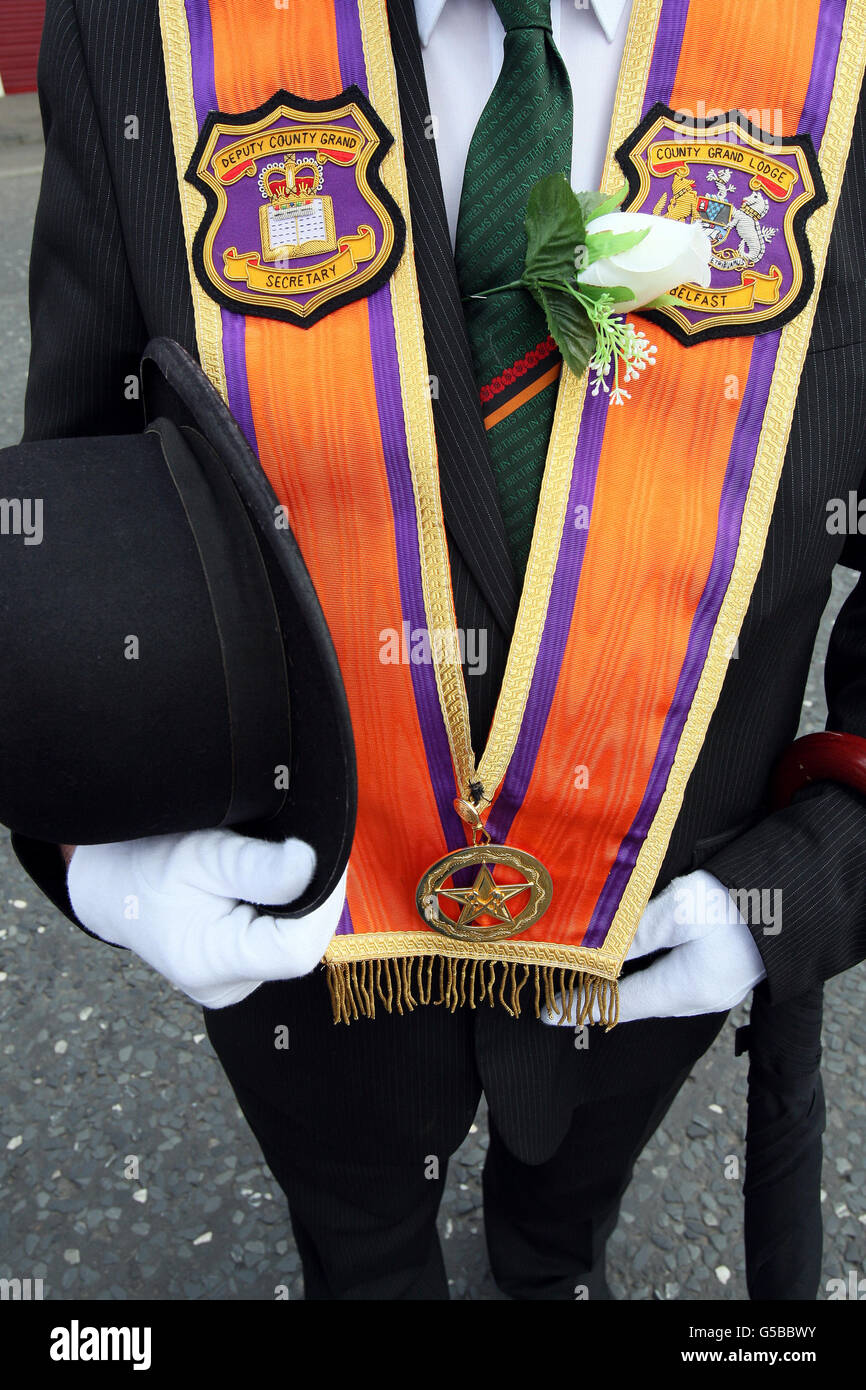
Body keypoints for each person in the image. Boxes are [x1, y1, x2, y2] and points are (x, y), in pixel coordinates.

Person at [12, 0, 866, 1300]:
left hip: (662, 916)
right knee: (359, 1241)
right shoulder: (143, 28)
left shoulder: (842, 44)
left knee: (561, 1230)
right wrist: (97, 856)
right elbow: (81, 490)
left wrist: (828, 862)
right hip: (305, 925)